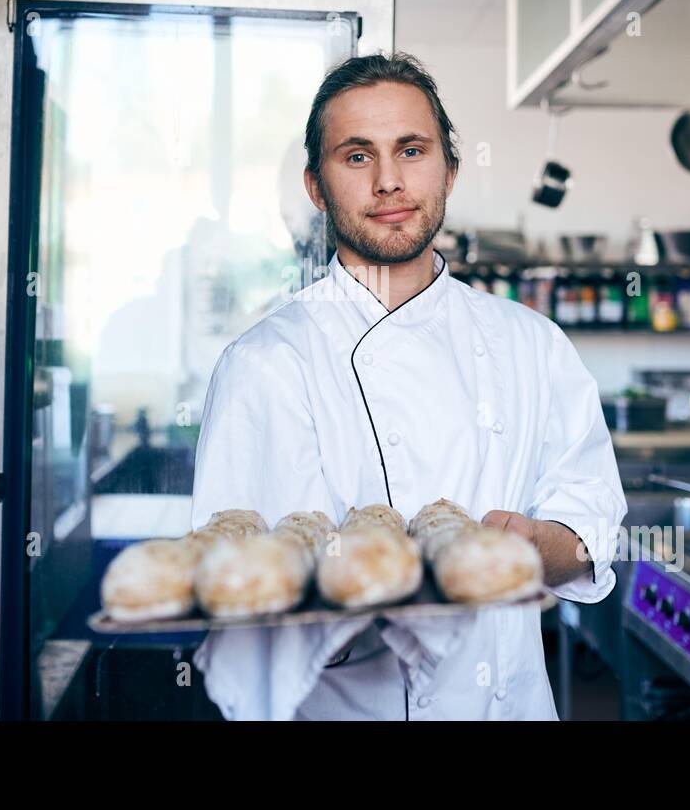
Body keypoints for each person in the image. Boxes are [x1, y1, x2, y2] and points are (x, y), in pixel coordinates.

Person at [190, 52, 626, 720]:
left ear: (448, 169)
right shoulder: (261, 364)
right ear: (317, 185)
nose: (389, 181)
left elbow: (595, 526)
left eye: (412, 150)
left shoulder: (531, 345)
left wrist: (538, 550)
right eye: (358, 156)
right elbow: (226, 580)